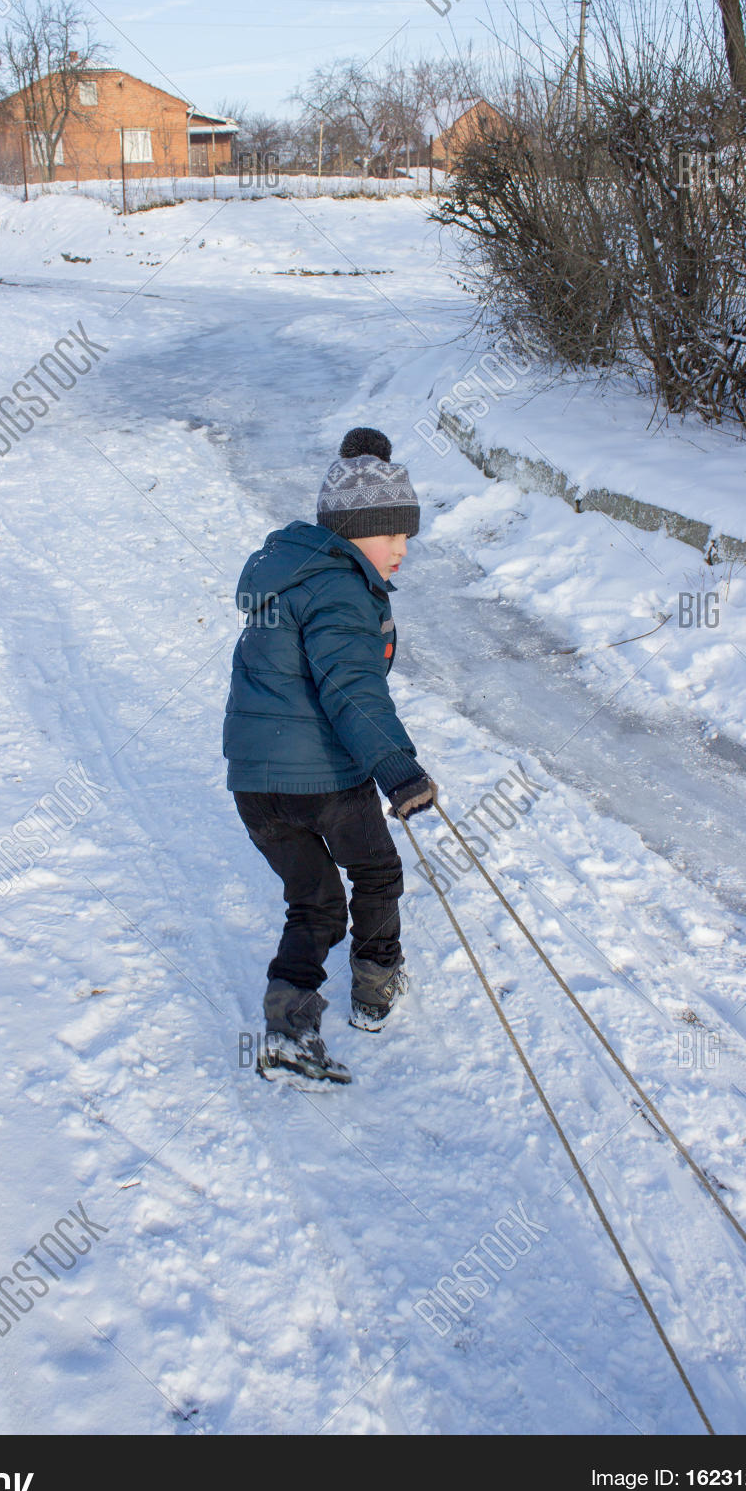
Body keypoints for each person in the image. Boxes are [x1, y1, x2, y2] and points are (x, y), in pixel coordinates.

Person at [223, 426, 437, 1085]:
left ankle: (288, 1033)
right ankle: (374, 990)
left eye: (407, 535)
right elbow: (353, 691)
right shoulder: (342, 591)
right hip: (324, 779)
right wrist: (398, 769)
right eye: (389, 534)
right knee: (374, 875)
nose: (401, 549)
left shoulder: (286, 574)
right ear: (348, 534)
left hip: (256, 784)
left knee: (314, 904)